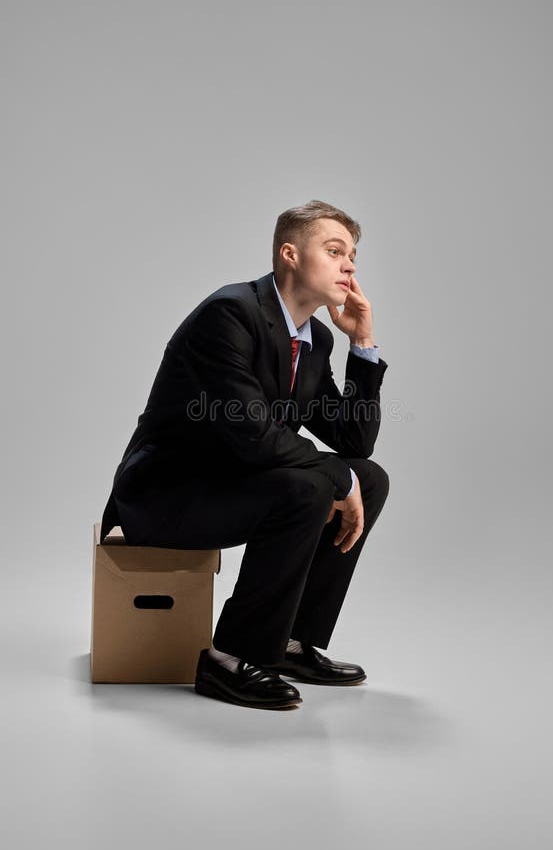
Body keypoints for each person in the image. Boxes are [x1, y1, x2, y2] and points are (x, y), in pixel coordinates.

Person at [100, 199, 389, 709]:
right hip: (168, 494)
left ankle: (290, 644)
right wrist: (336, 476)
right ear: (290, 255)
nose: (350, 265)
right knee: (317, 482)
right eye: (335, 250)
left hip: (233, 483)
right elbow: (252, 434)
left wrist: (362, 344)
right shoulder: (230, 313)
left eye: (354, 256)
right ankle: (231, 659)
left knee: (368, 476)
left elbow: (353, 440)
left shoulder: (315, 338)